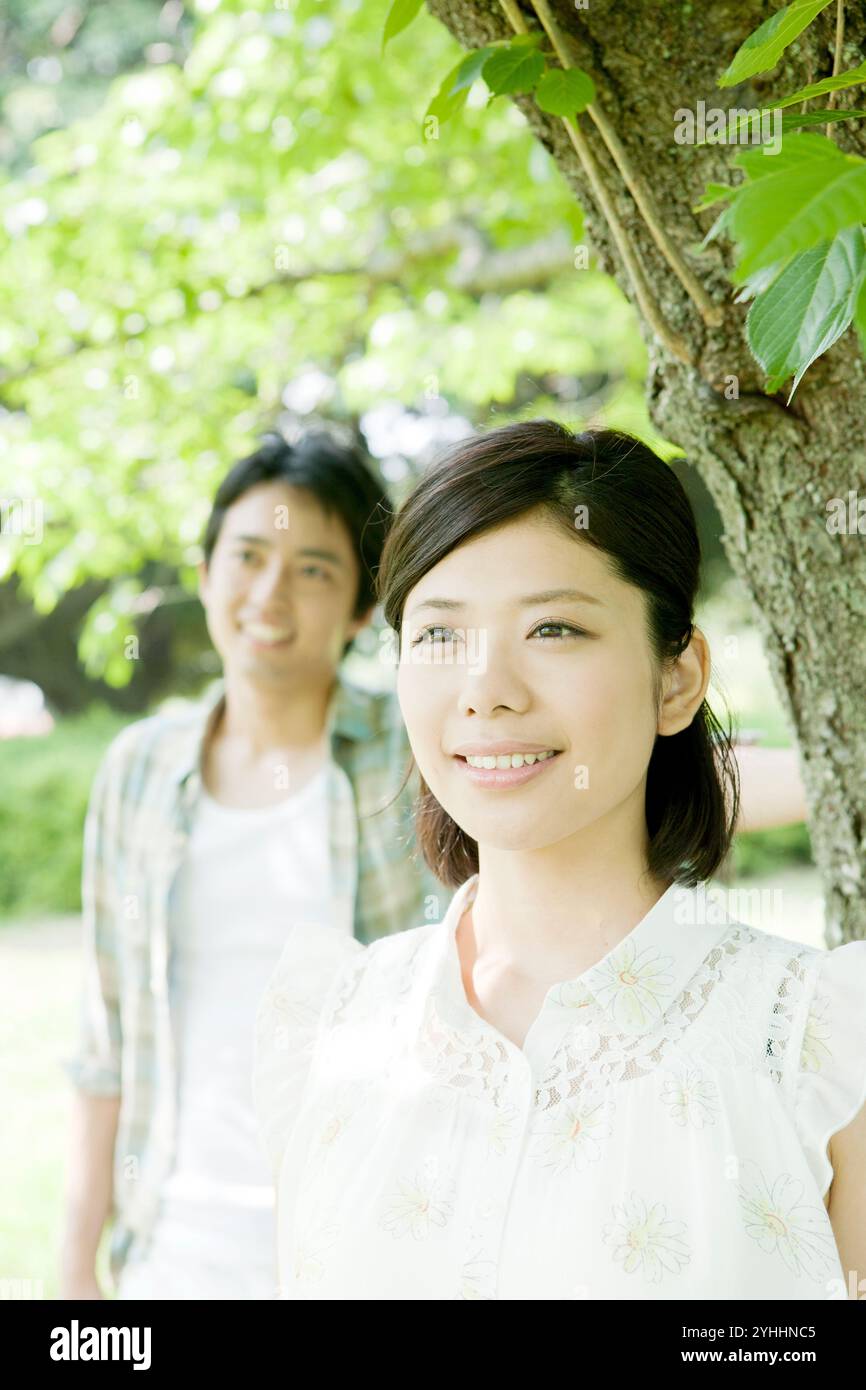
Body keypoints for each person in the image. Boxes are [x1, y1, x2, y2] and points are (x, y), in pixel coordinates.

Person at [252, 419, 866, 1301]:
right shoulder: (327, 1028)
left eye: (553, 629)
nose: (488, 690)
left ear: (677, 679)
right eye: (438, 636)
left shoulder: (817, 1048)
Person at [58, 429, 443, 1300]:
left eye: (313, 568)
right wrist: (76, 1271)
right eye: (249, 556)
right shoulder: (141, 770)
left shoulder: (413, 749)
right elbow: (105, 1038)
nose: (270, 593)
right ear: (205, 573)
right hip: (175, 1255)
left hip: (371, 1253)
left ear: (357, 609)